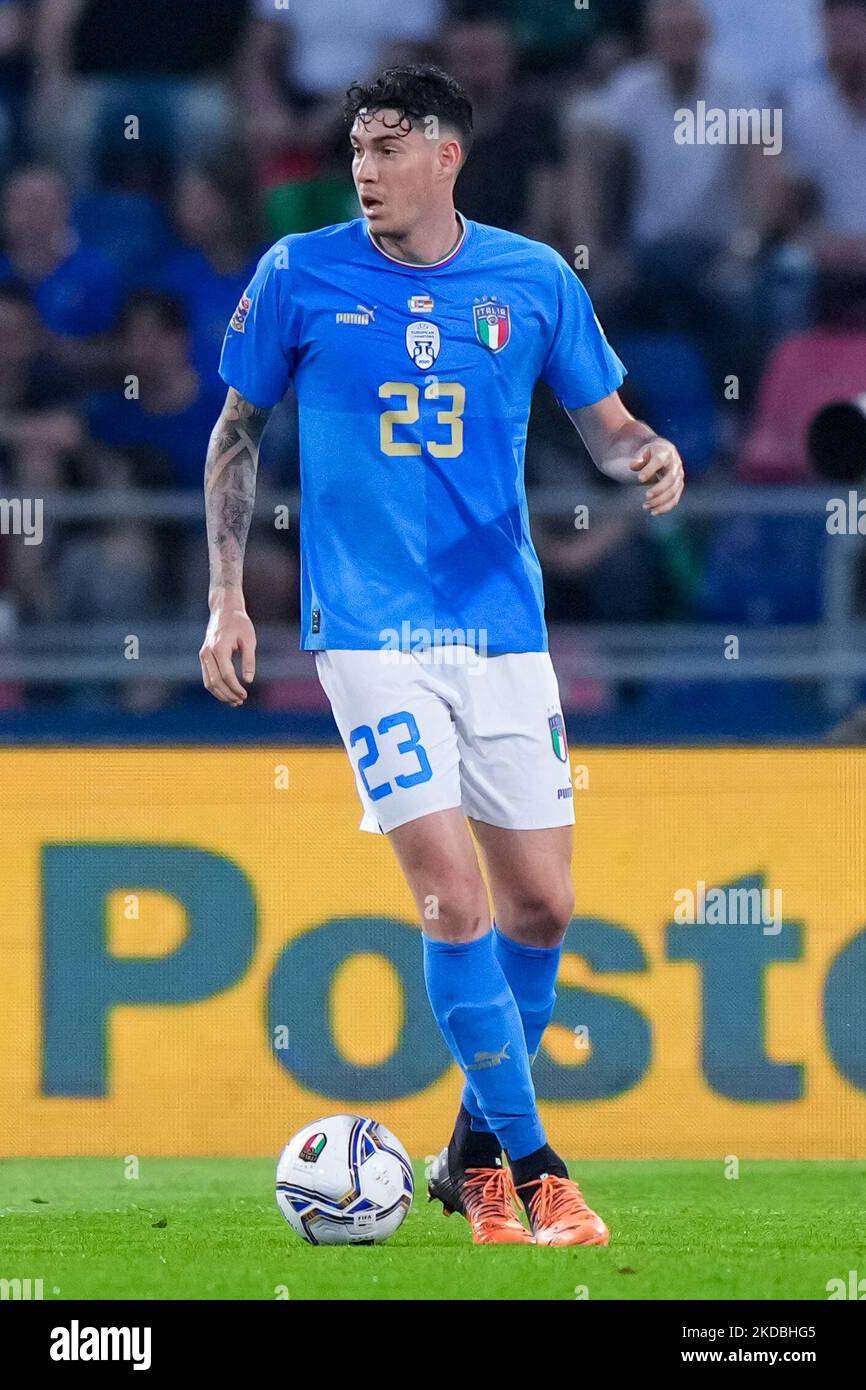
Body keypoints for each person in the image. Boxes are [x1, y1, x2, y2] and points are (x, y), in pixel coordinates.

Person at [200, 64, 684, 1246]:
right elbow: (234, 429)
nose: (361, 168)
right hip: (366, 632)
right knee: (450, 893)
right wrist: (225, 596)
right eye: (354, 148)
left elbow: (607, 425)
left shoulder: (528, 280)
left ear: (445, 155)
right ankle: (533, 1167)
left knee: (540, 905)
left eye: (384, 147)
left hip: (501, 629)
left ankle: (465, 1149)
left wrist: (648, 455)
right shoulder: (298, 274)